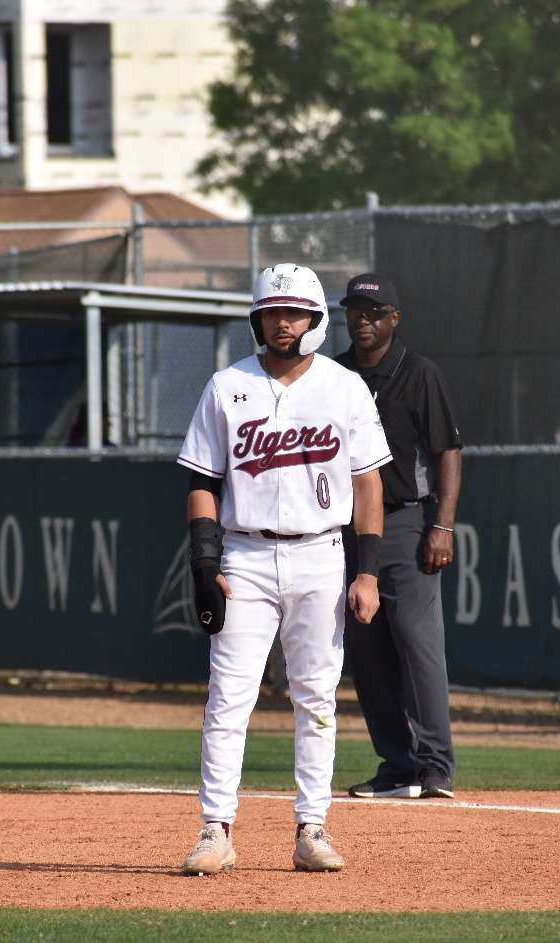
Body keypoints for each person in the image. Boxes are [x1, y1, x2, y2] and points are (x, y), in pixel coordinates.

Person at [176, 263, 391, 875]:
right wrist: (203, 561)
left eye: (295, 311)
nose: (283, 322)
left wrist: (368, 570)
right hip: (243, 555)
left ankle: (311, 827)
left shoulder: (344, 387)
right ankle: (216, 829)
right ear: (257, 318)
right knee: (229, 698)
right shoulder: (226, 386)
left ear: (316, 320)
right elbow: (202, 482)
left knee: (317, 697)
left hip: (322, 553)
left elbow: (368, 481)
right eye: (273, 311)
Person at [334, 272, 464, 801]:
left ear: (394, 318)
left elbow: (447, 452)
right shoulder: (333, 374)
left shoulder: (419, 373)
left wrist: (442, 524)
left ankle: (435, 766)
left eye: (374, 312)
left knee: (418, 643)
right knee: (366, 651)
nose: (362, 320)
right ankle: (398, 764)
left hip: (405, 522)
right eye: (355, 311)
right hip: (341, 526)